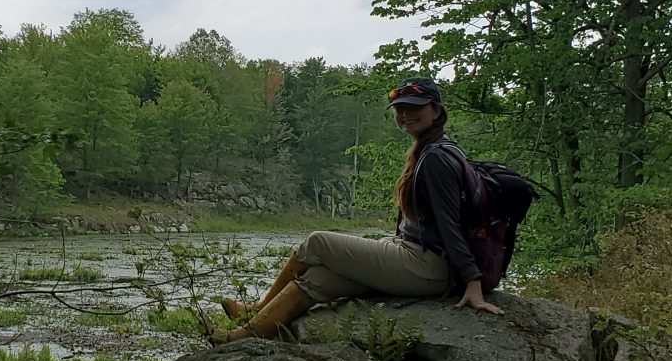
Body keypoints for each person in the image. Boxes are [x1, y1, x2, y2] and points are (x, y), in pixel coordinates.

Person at [213, 77, 502, 342]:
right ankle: (242, 337)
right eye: (400, 109)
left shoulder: (437, 158)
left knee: (317, 242)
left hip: (428, 265)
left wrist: (472, 283)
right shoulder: (434, 148)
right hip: (418, 257)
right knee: (317, 279)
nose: (405, 115)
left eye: (415, 107)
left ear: (437, 111)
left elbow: (450, 224)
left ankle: (256, 308)